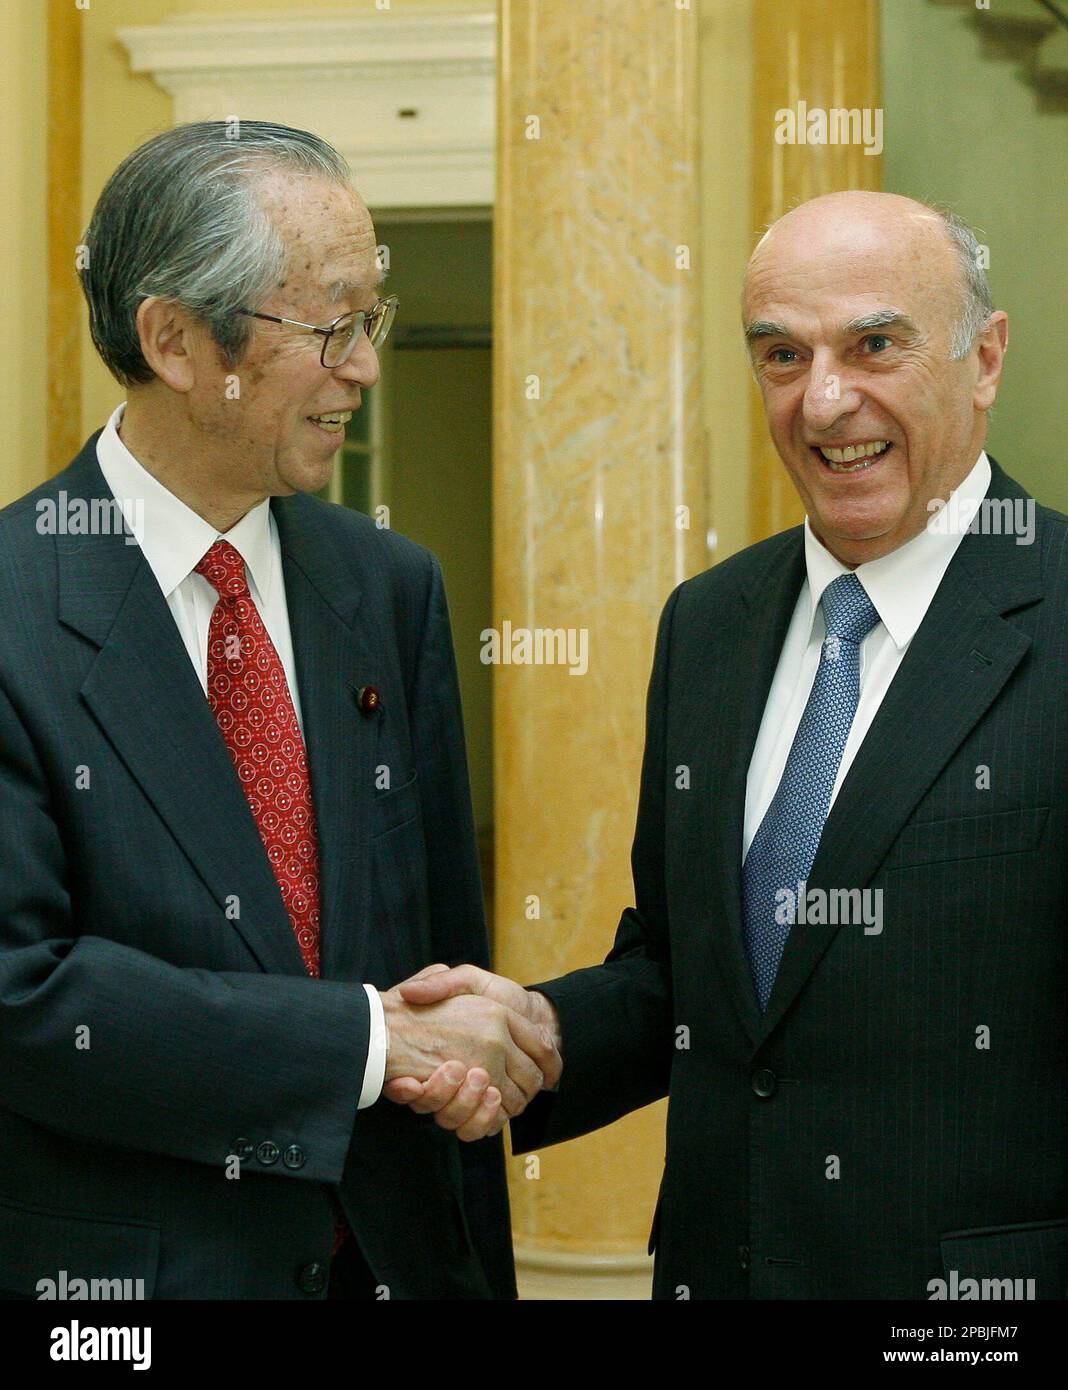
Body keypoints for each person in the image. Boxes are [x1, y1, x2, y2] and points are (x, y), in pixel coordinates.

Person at [386, 191, 1068, 1300]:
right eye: (782, 355)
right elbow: (687, 972)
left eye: (876, 344)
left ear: (984, 357)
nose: (826, 399)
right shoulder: (708, 623)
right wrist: (539, 1028)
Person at [0, 120, 558, 1301]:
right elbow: (25, 994)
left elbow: (444, 959)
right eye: (330, 326)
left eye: (373, 321)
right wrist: (366, 1043)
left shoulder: (388, 586)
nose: (364, 367)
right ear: (176, 340)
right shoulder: (17, 606)